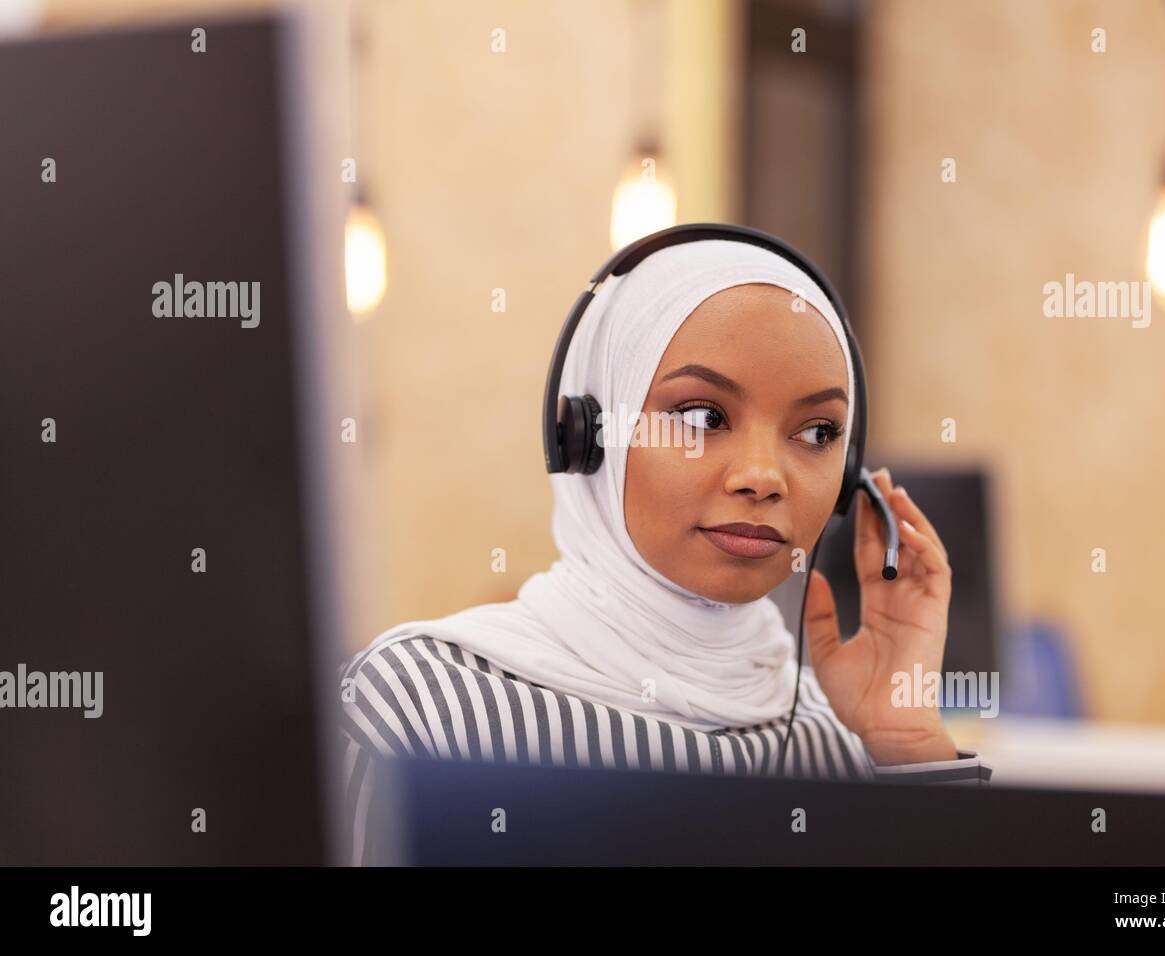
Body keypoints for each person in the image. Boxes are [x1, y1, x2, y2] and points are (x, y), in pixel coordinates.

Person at [337, 235, 991, 865]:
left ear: (848, 477)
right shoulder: (414, 706)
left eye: (817, 431)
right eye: (702, 416)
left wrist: (909, 747)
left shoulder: (844, 738)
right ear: (588, 437)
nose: (763, 476)